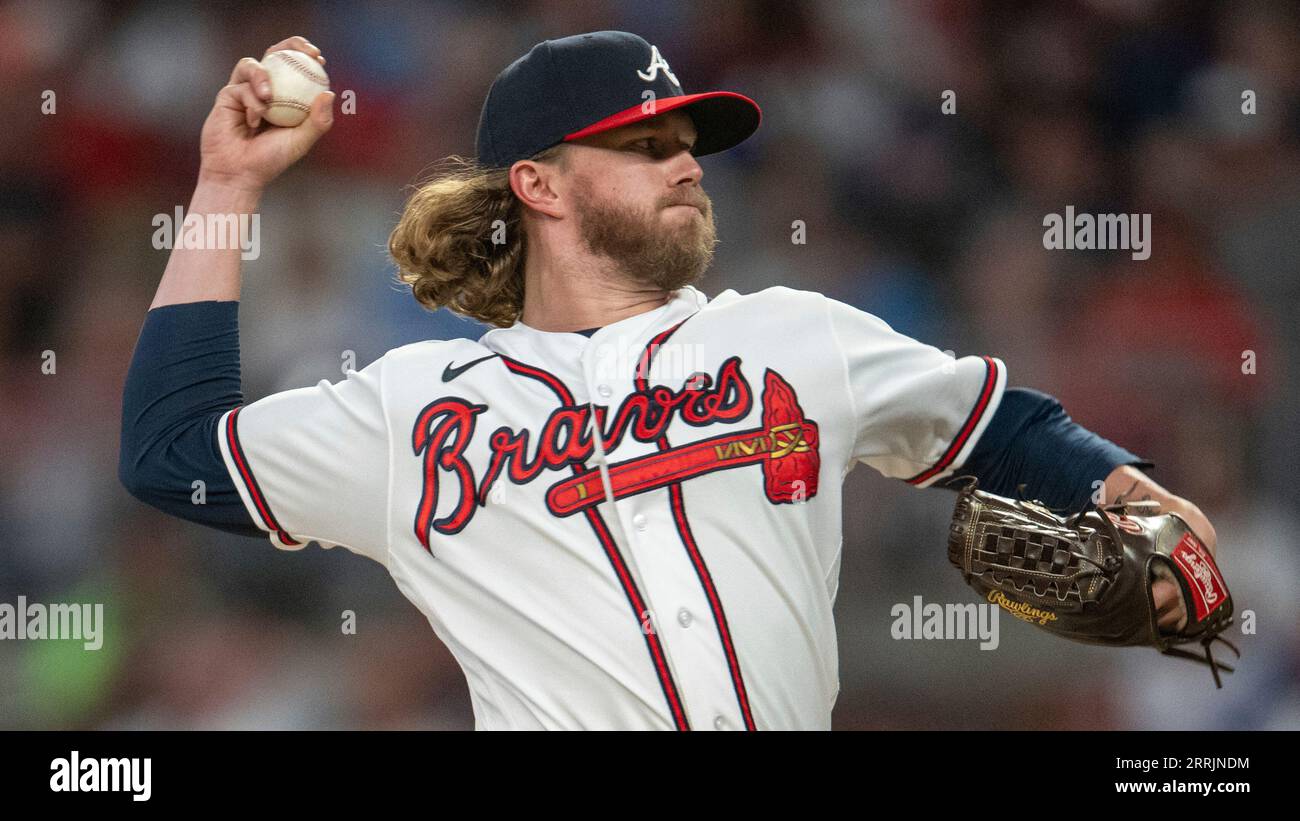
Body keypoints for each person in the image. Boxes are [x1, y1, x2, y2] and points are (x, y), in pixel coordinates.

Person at [119, 31, 1217, 730]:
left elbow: (998, 425)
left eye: (688, 140)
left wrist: (1119, 483)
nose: (687, 161)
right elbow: (172, 453)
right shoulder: (413, 408)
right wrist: (225, 183)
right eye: (644, 144)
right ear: (538, 183)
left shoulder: (795, 337)